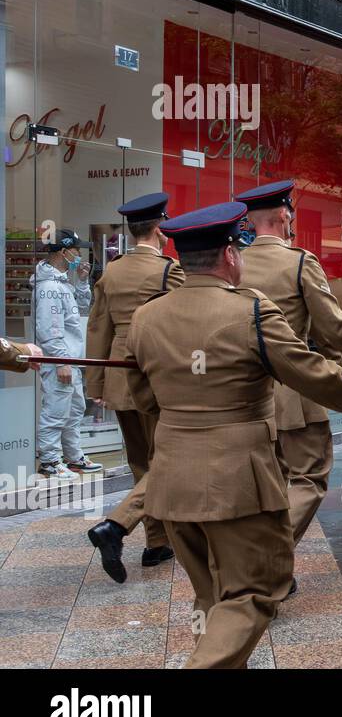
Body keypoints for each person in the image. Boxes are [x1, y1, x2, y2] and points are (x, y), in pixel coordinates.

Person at [124, 202, 342, 668]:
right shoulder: (251, 309)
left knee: (213, 596)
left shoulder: (147, 317)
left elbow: (144, 397)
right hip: (236, 481)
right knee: (255, 589)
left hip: (172, 480)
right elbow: (308, 370)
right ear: (229, 255)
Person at [234, 179, 342, 546]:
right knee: (309, 478)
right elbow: (334, 326)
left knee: (264, 482)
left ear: (251, 221)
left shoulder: (233, 264)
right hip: (292, 389)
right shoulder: (299, 262)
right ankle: (268, 559)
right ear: (285, 216)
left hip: (241, 390)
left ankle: (255, 557)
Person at [84, 193, 185, 583]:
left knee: (141, 461)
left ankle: (157, 543)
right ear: (160, 229)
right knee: (166, 460)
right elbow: (181, 322)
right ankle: (116, 525)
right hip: (155, 373)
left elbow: (98, 329)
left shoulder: (112, 272)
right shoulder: (166, 270)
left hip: (117, 374)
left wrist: (95, 384)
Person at [33, 228, 100, 481]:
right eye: (76, 250)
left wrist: (82, 281)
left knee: (73, 409)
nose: (79, 254)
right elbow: (49, 328)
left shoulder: (62, 283)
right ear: (63, 251)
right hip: (60, 361)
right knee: (56, 410)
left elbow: (81, 310)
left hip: (68, 360)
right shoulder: (49, 285)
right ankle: (49, 461)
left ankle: (73, 457)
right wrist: (61, 361)